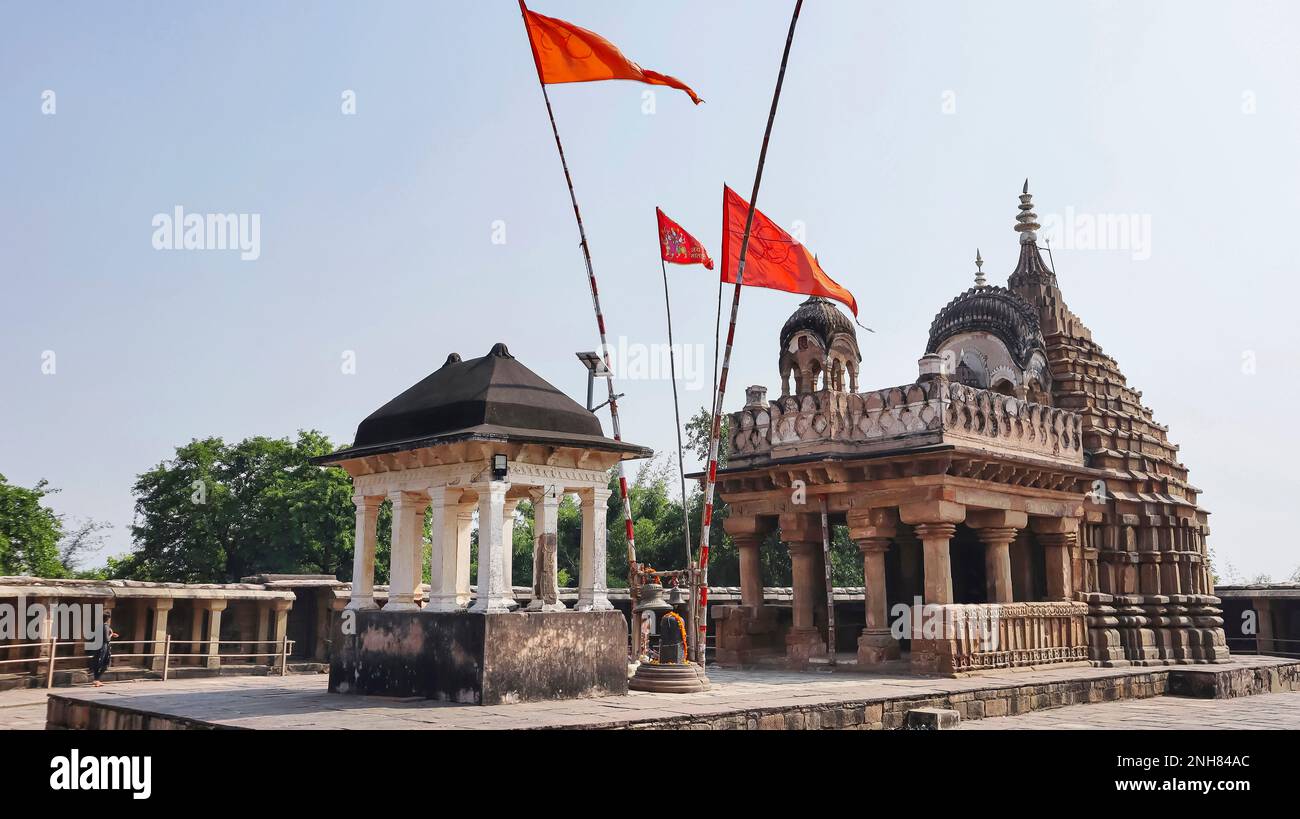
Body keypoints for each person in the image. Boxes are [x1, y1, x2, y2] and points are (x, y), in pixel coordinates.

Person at [90, 612, 117, 687]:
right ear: (108, 619)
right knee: (105, 663)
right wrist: (111, 634)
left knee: (98, 662)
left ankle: (96, 680)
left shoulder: (99, 626)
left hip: (98, 645)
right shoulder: (105, 626)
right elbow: (106, 639)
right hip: (103, 646)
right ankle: (96, 679)